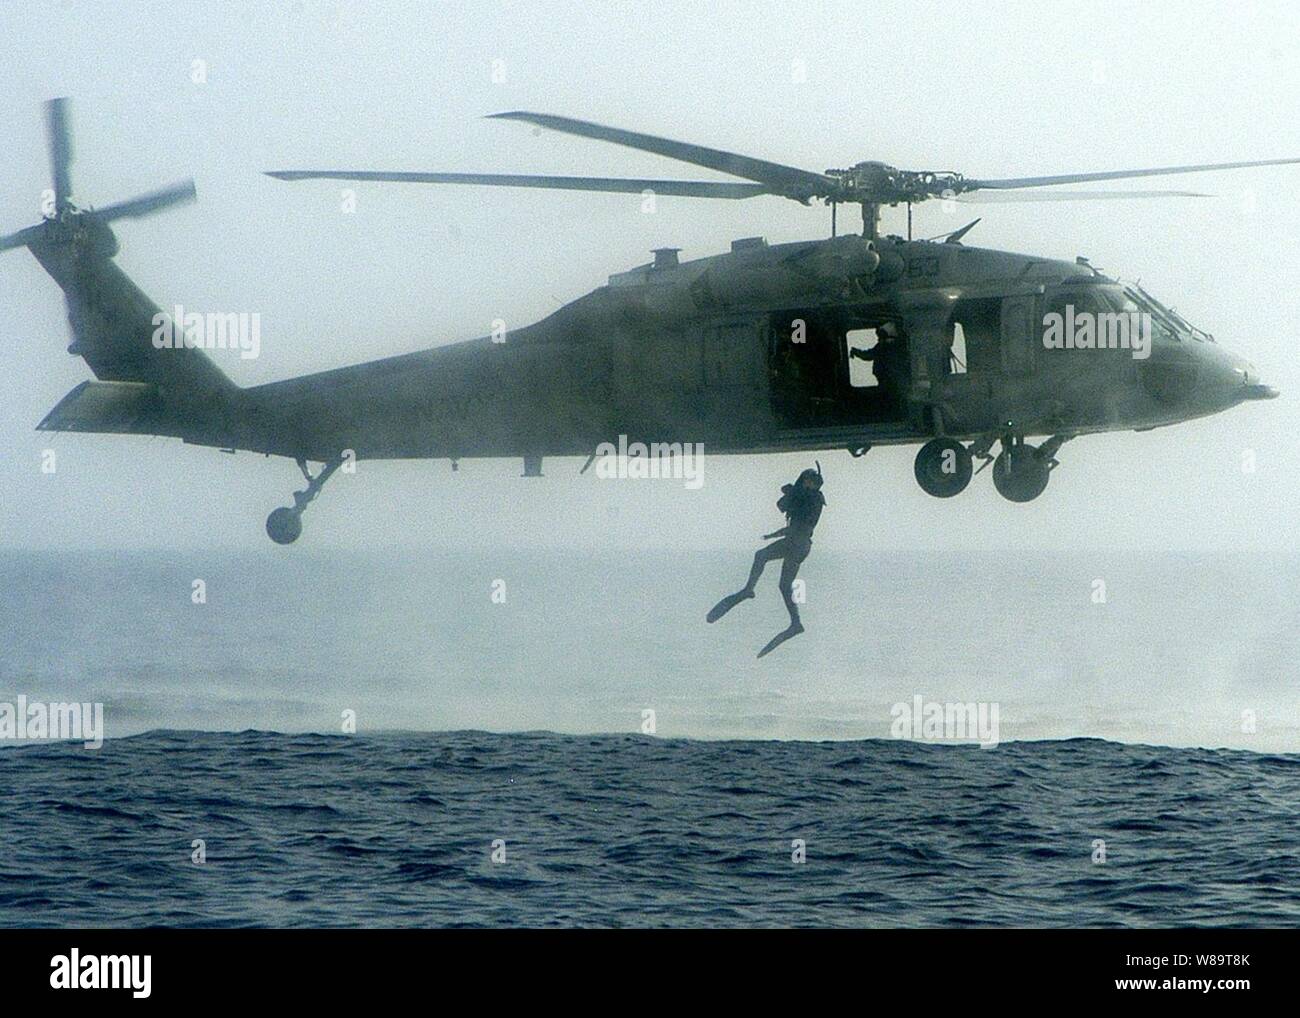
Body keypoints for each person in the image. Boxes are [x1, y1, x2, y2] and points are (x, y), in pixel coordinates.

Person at [707, 465, 826, 656]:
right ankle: (795, 623)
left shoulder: (811, 498)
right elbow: (787, 510)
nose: (807, 484)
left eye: (809, 482)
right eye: (806, 481)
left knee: (760, 556)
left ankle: (749, 590)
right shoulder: (810, 498)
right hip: (801, 545)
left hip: (796, 543)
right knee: (784, 585)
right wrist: (774, 534)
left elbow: (796, 521)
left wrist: (775, 534)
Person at [849, 320, 909, 404]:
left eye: (881, 335)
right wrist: (856, 352)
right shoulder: (895, 346)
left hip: (890, 380)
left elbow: (868, 355)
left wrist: (856, 352)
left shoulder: (886, 346)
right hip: (890, 380)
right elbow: (869, 355)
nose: (878, 338)